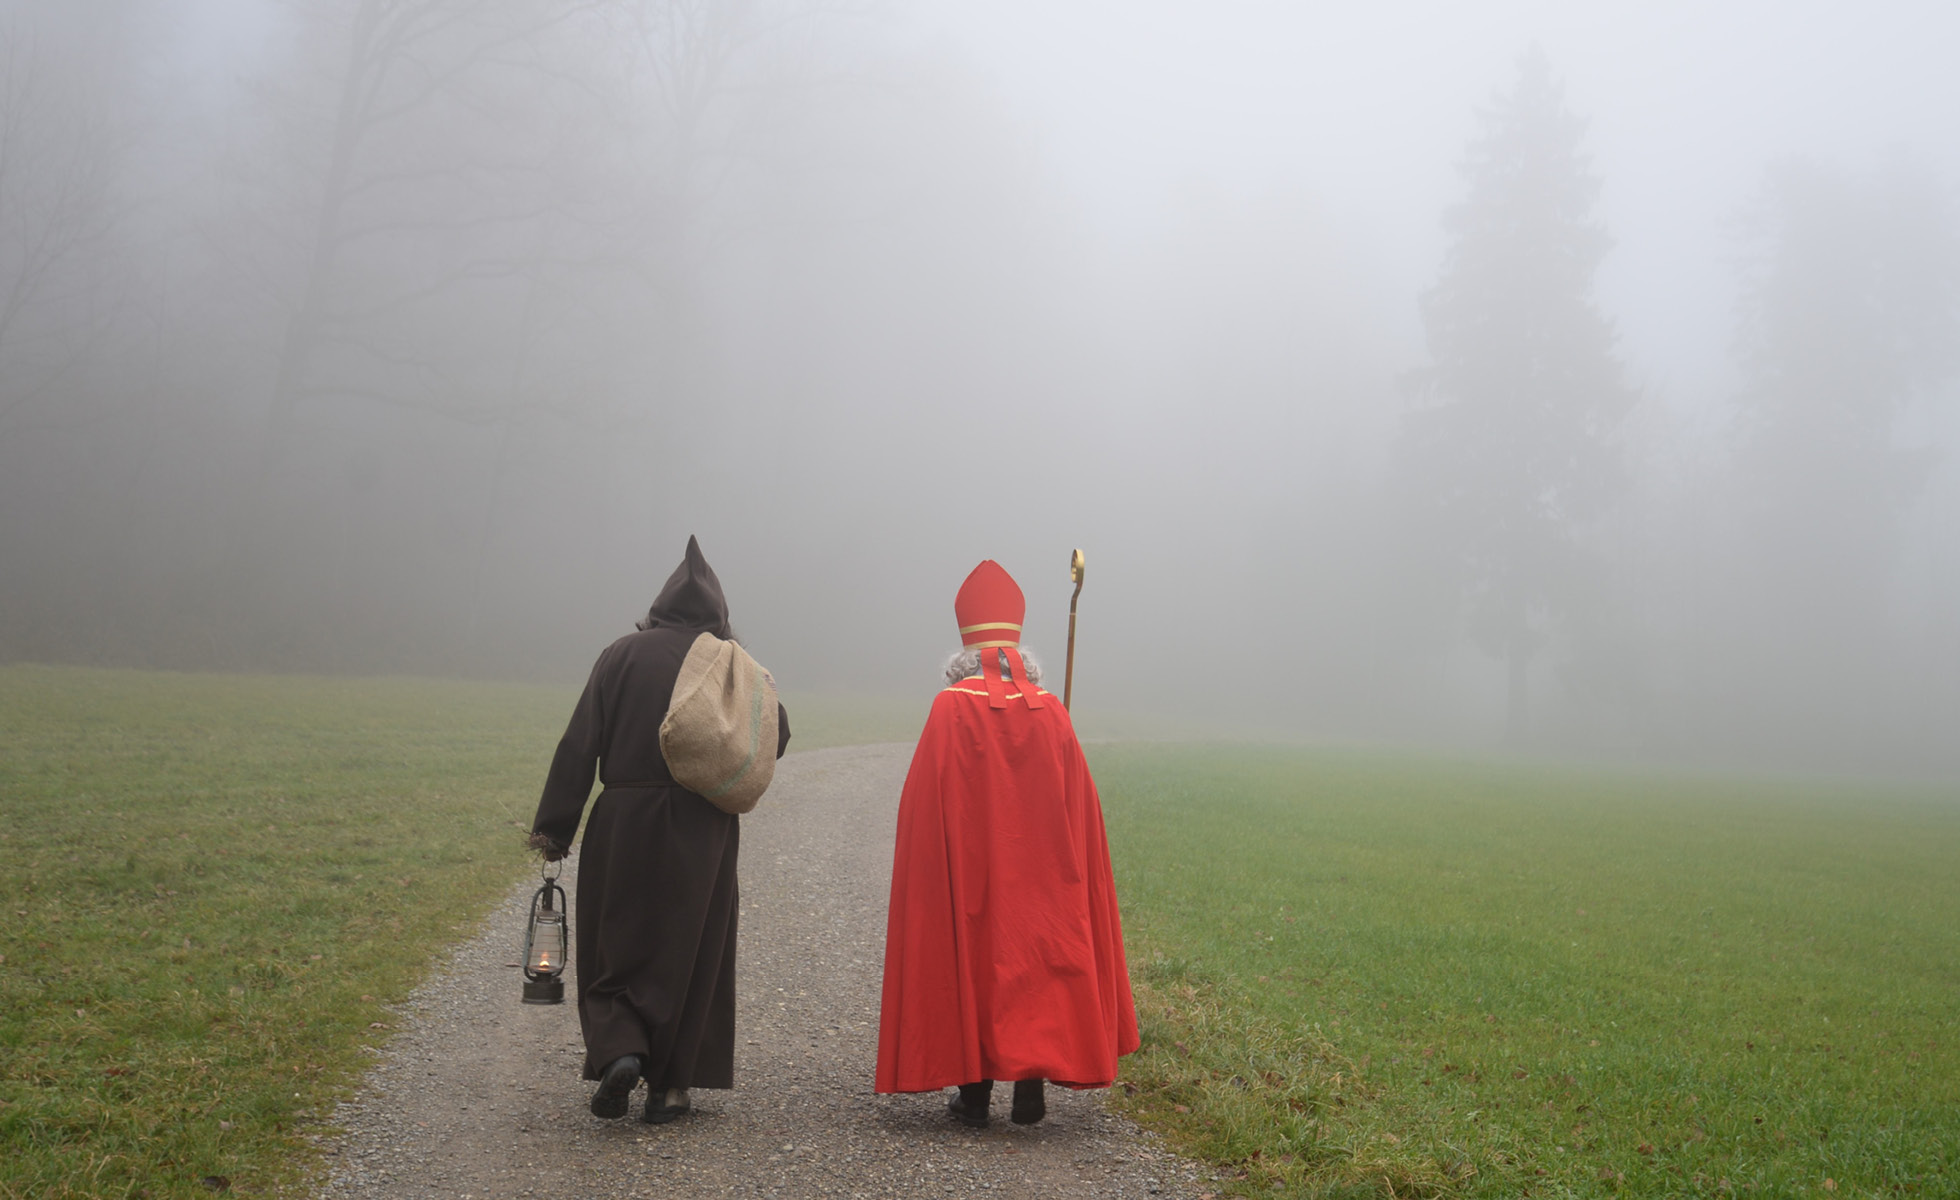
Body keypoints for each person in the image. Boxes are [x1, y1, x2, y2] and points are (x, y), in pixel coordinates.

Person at [529, 535, 790, 1124]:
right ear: (719, 613)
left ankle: (622, 1047)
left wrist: (554, 831)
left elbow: (580, 743)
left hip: (623, 819)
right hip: (704, 828)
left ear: (660, 606)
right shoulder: (735, 666)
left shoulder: (621, 655)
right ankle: (670, 1088)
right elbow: (774, 735)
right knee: (690, 950)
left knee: (615, 940)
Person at [875, 559, 1139, 1126]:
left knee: (970, 953)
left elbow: (923, 805)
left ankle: (974, 1097)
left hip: (972, 870)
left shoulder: (949, 708)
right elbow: (1081, 810)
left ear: (965, 649)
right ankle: (1029, 1089)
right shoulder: (1053, 712)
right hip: (1044, 870)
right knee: (1037, 956)